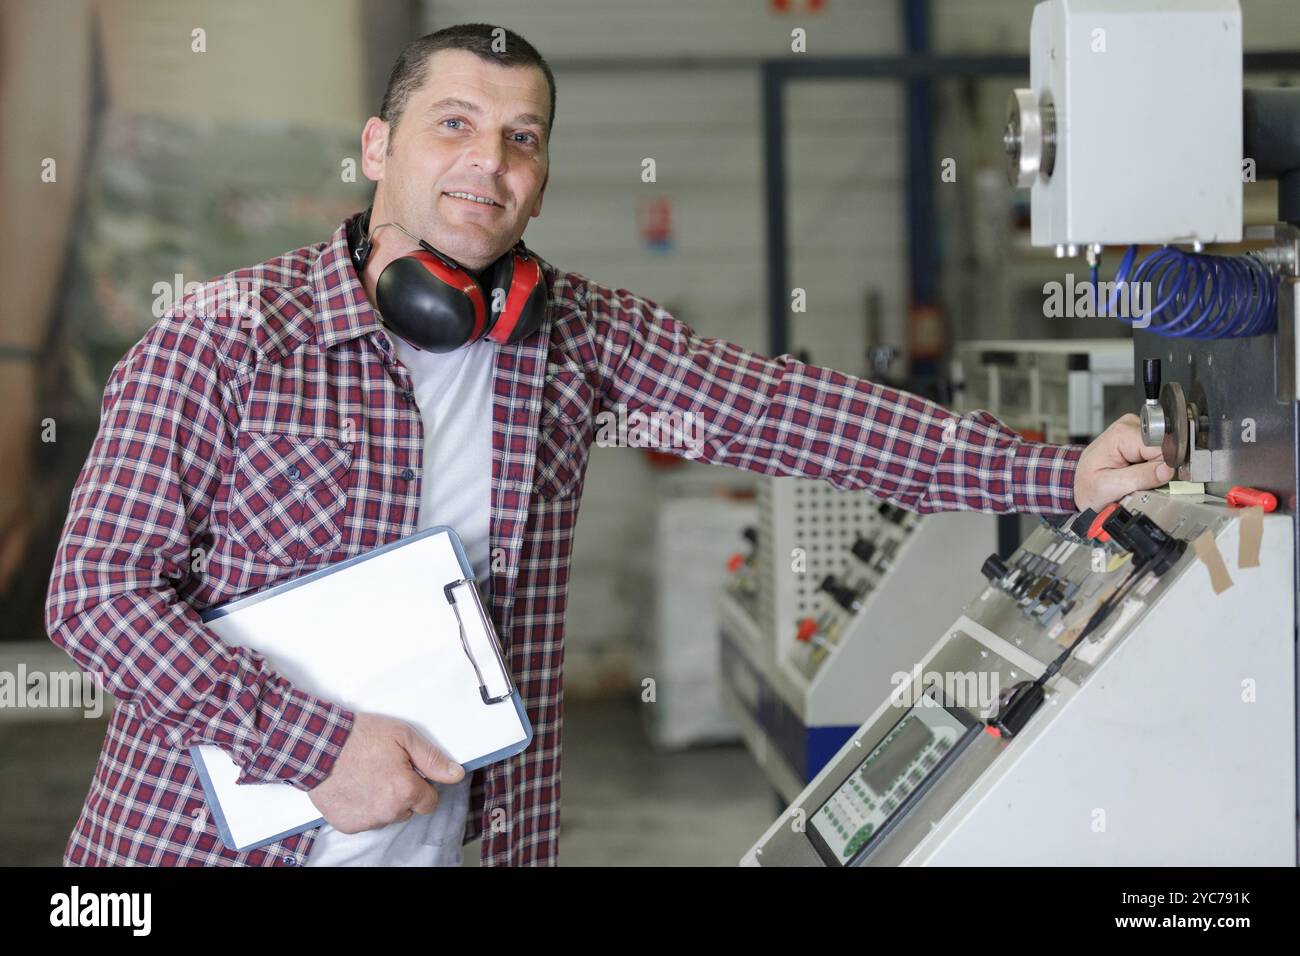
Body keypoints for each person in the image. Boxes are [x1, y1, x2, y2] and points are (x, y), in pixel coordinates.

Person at [45, 22, 1172, 867]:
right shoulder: (227, 332)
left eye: (519, 139)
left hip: (460, 841)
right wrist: (312, 742)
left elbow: (788, 412)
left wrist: (1051, 469)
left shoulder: (577, 340)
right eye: (453, 125)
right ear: (378, 145)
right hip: (196, 848)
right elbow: (95, 592)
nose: (486, 163)